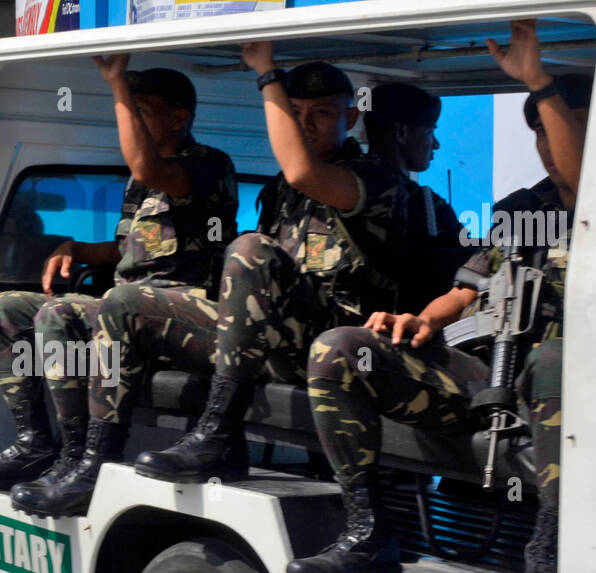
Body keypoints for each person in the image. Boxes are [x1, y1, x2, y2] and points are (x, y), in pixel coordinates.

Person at [283, 21, 588, 573]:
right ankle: (369, 536)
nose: (550, 146)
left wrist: (539, 82)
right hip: (495, 379)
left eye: (563, 129)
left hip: (585, 393)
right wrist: (418, 321)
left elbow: (588, 188)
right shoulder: (524, 211)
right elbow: (466, 289)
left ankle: (550, 558)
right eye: (540, 134)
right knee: (343, 348)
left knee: (553, 361)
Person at [0, 60, 238, 502]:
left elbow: (148, 168)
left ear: (178, 118)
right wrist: (77, 249)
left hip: (185, 312)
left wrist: (115, 83)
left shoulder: (208, 166)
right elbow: (127, 246)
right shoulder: (139, 180)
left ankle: (84, 462)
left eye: (140, 108)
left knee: (63, 311)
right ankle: (37, 444)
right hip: (126, 310)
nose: (128, 117)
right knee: (6, 309)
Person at [126, 53, 410, 487]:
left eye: (321, 114)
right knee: (126, 302)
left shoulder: (376, 174)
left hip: (341, 345)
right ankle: (88, 456)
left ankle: (218, 432)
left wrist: (265, 70)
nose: (305, 124)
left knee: (249, 248)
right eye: (294, 114)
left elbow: (303, 174)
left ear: (350, 117)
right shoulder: (279, 188)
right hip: (283, 339)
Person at [363, 82, 462, 248]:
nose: (436, 144)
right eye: (429, 132)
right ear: (401, 132)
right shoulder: (421, 206)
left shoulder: (338, 185)